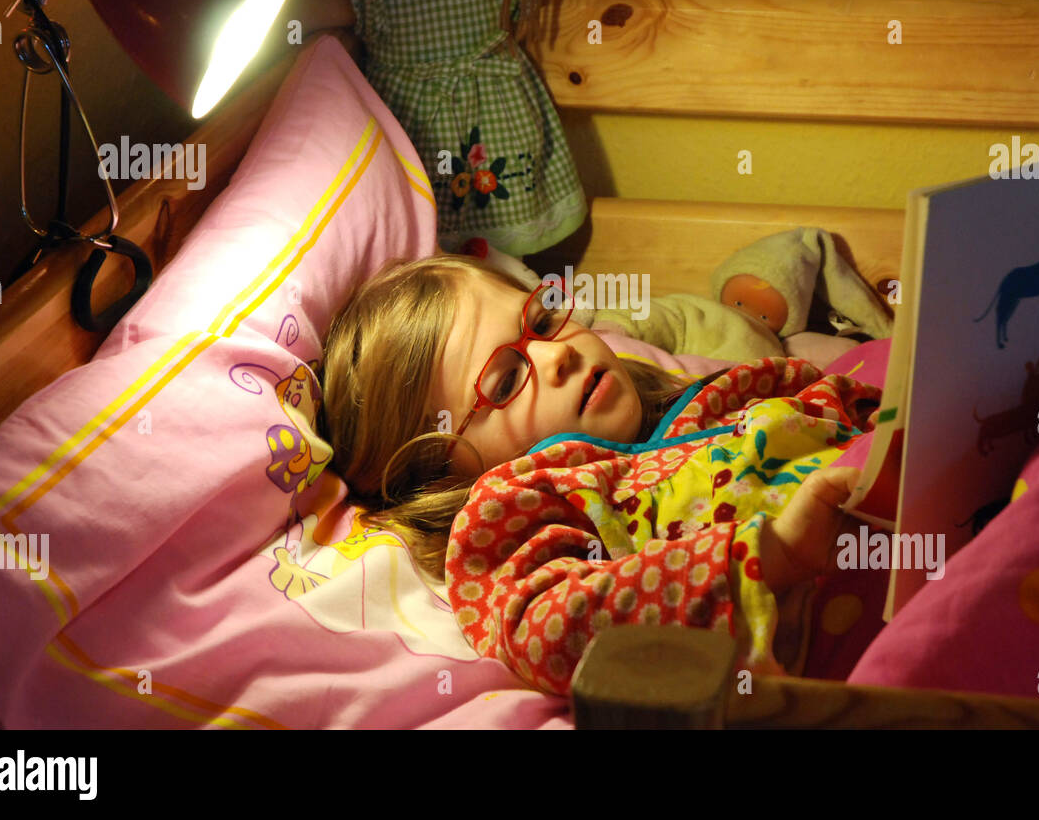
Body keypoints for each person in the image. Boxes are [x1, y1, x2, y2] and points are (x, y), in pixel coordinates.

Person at [317, 254, 881, 694]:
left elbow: (831, 400)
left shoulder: (712, 399)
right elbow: (547, 628)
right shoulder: (521, 507)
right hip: (859, 655)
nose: (556, 354)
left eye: (541, 321)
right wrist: (773, 555)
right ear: (442, 473)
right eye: (507, 381)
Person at [234, 0, 599, 257]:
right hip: (416, 127)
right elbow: (311, 10)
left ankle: (507, 274)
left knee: (504, 229)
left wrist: (596, 8)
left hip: (502, 124)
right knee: (424, 237)